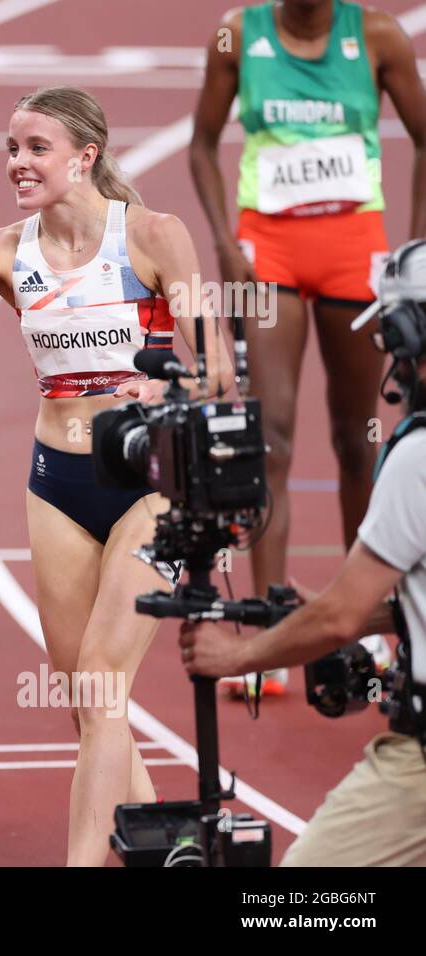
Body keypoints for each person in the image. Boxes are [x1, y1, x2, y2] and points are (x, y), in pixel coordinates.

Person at [0, 86, 232, 866]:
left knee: (104, 678)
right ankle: (174, 842)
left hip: (152, 482)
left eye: (36, 148)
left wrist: (168, 386)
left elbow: (218, 366)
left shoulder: (152, 235)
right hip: (57, 485)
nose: (18, 163)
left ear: (85, 156)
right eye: (12, 149)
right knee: (88, 702)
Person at [188, 0, 426, 696]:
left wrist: (413, 250)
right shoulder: (237, 35)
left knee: (359, 440)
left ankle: (377, 624)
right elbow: (201, 144)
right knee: (272, 439)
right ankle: (267, 633)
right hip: (272, 252)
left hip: (356, 249)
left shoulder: (377, 36)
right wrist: (225, 243)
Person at [181, 239, 426, 864]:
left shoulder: (416, 458)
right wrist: (361, 611)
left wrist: (239, 656)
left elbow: (340, 619)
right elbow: (366, 609)